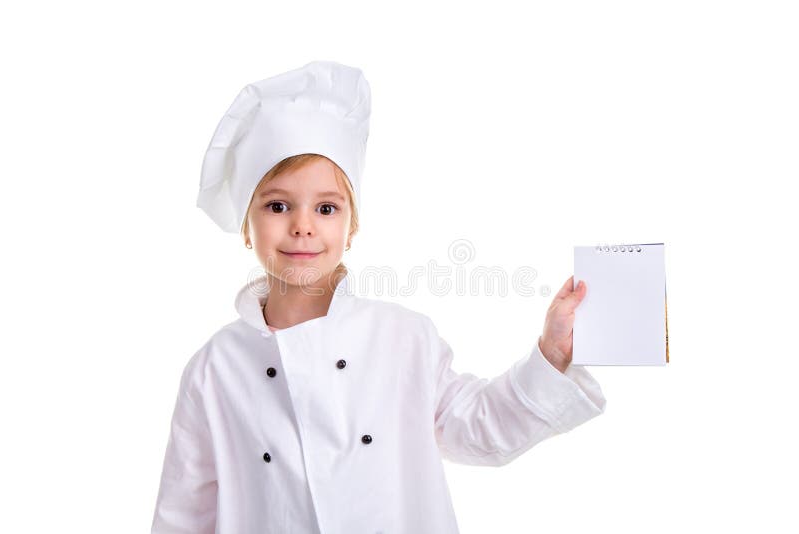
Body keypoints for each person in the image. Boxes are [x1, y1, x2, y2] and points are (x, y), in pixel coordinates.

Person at [151, 60, 606, 534]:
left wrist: (551, 356)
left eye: (326, 207)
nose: (302, 225)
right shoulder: (214, 368)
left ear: (353, 226)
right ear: (248, 225)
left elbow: (479, 428)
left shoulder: (403, 337)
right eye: (277, 205)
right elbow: (183, 513)